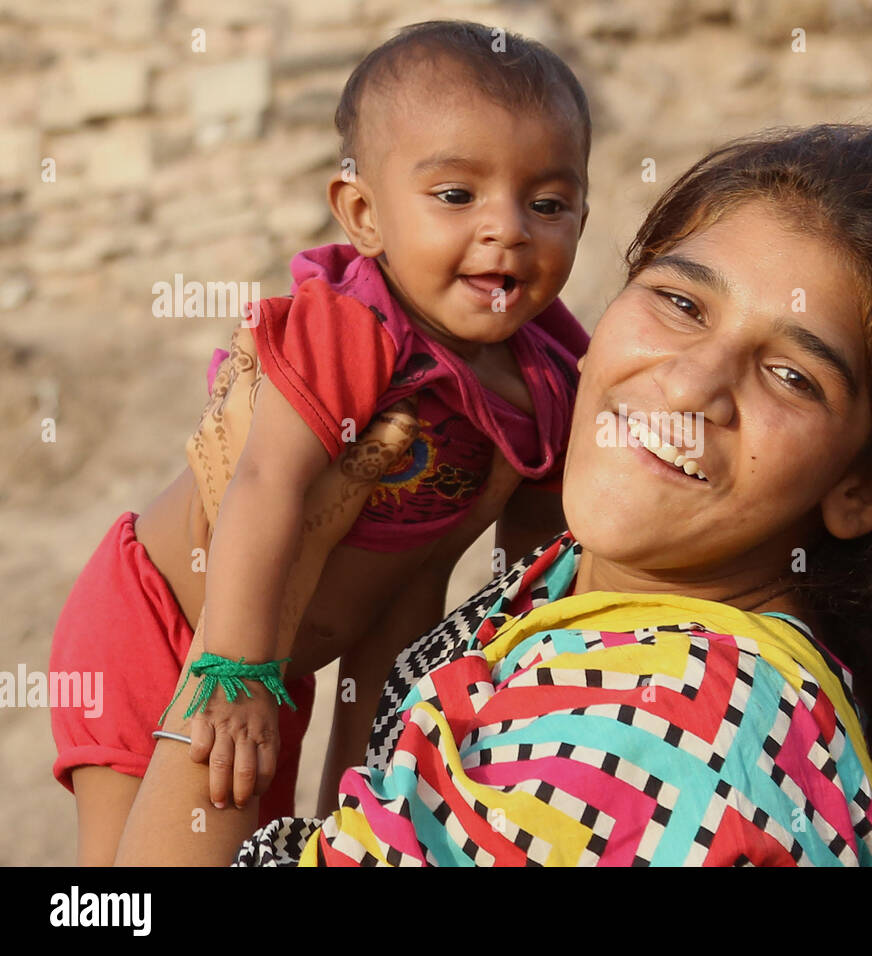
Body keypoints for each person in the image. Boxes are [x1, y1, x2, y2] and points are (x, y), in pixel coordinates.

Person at [117, 123, 872, 867]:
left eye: (790, 374)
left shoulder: (677, 724)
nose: (688, 384)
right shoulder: (573, 588)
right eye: (679, 302)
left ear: (866, 485)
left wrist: (253, 599)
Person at [49, 20, 592, 866]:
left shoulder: (555, 380)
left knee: (296, 836)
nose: (509, 229)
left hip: (305, 649)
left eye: (547, 204)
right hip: (173, 617)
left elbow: (520, 575)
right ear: (364, 215)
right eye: (457, 196)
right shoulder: (355, 325)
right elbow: (266, 480)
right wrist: (234, 667)